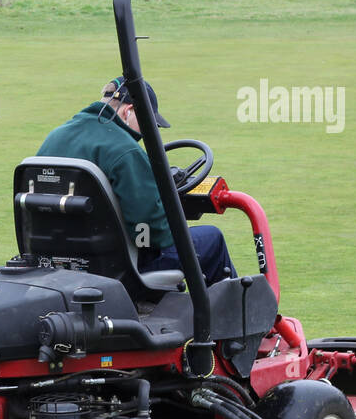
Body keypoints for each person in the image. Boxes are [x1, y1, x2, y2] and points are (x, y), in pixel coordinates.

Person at [36, 76, 236, 286]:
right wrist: (168, 222)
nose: (146, 133)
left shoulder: (54, 137)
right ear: (128, 111)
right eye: (148, 124)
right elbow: (149, 232)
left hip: (56, 263)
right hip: (119, 269)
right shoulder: (124, 150)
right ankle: (232, 316)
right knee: (211, 239)